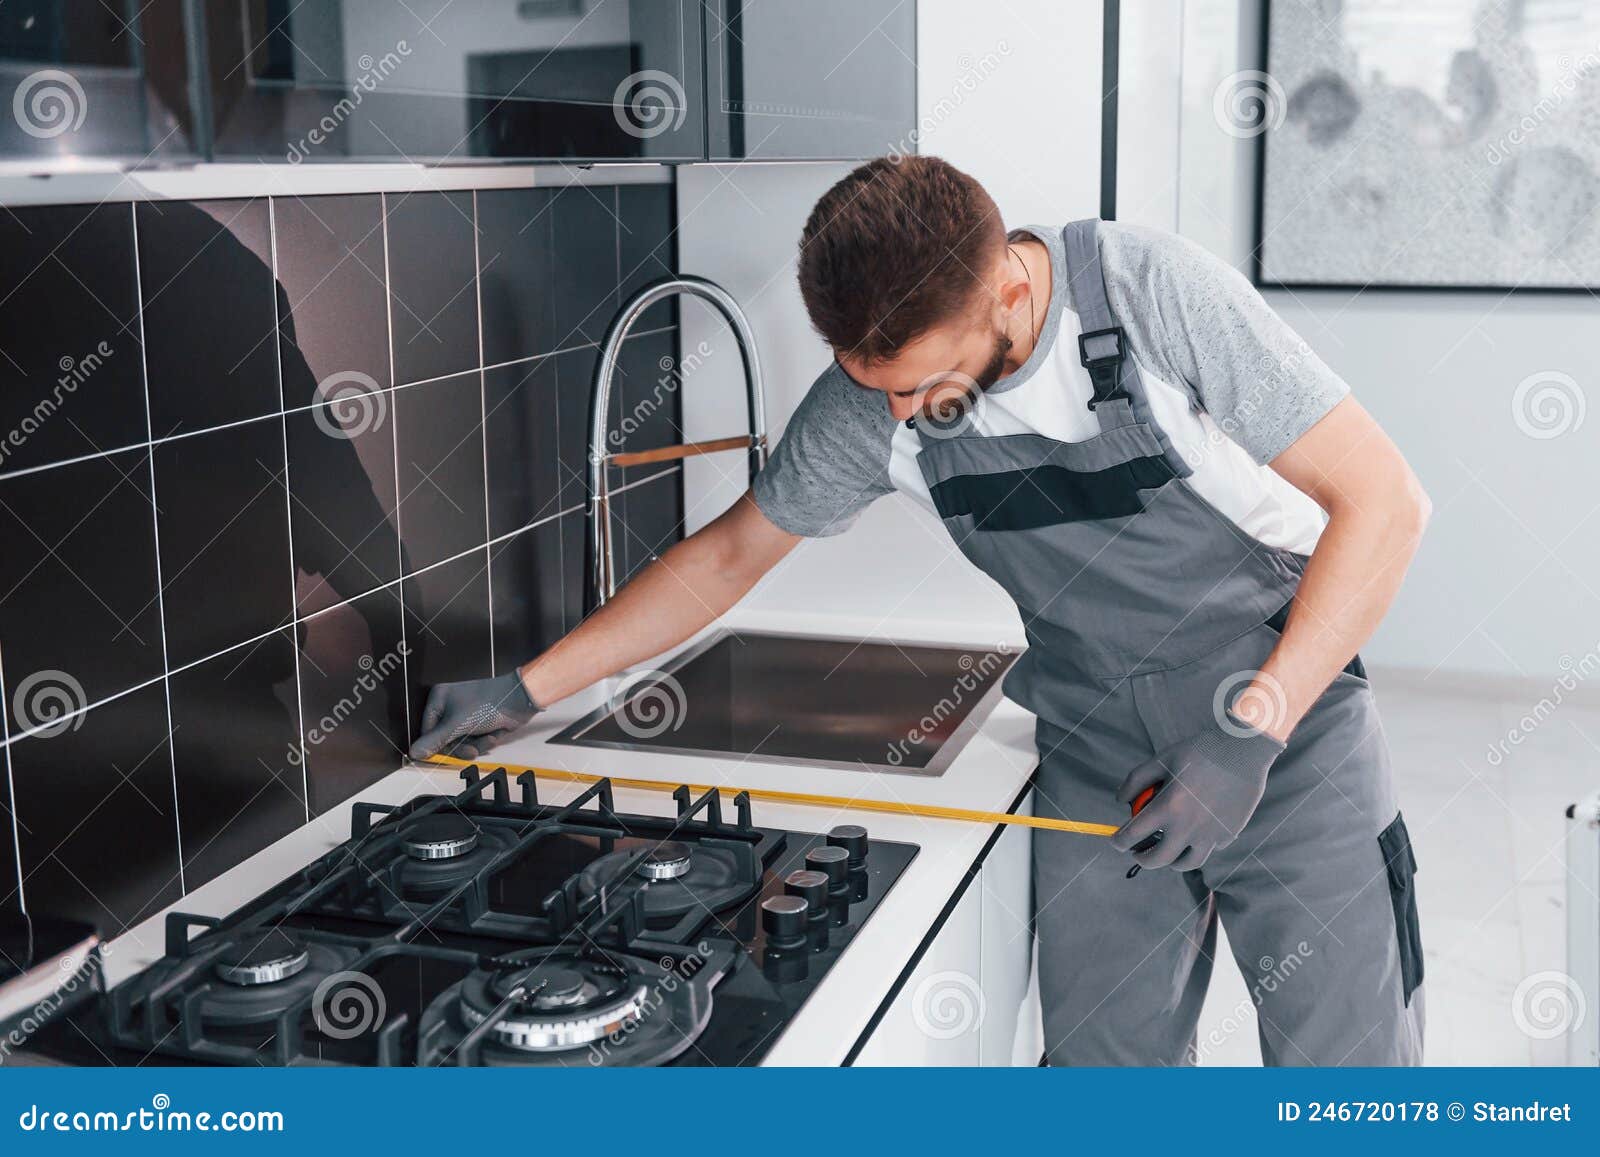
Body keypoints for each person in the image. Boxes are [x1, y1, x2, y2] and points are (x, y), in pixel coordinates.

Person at [409, 155, 1429, 1066]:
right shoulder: (874, 398)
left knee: (1346, 1070)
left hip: (1285, 725)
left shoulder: (1149, 294)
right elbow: (722, 558)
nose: (897, 416)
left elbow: (1385, 502)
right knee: (1104, 1073)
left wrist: (1249, 734)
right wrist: (526, 684)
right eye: (874, 385)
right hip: (1095, 750)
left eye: (922, 384)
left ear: (1010, 292)